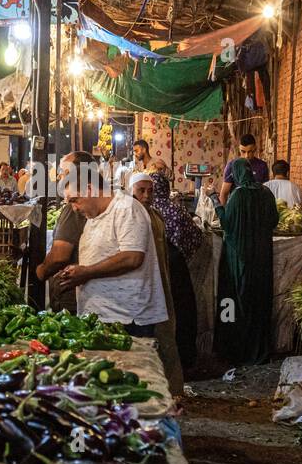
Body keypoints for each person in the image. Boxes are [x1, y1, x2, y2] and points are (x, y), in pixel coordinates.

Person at [53, 165, 167, 337]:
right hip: (103, 317)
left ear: (89, 189)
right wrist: (77, 270)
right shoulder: (94, 215)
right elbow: (104, 254)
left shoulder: (126, 208)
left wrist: (86, 272)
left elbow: (132, 257)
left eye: (74, 200)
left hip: (127, 319)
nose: (74, 208)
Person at [214, 159, 279, 365]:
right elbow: (274, 221)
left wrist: (215, 201)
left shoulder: (237, 196)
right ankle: (259, 351)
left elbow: (227, 224)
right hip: (262, 259)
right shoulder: (266, 193)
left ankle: (235, 350)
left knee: (233, 301)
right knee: (259, 303)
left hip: (239, 260)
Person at [129, 172, 183, 390]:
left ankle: (167, 387)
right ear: (131, 190)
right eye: (141, 190)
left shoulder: (156, 216)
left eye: (150, 191)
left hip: (160, 281)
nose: (146, 195)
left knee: (163, 334)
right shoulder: (130, 215)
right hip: (140, 287)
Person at [146, 170, 203, 369]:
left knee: (161, 315)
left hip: (153, 272)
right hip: (178, 269)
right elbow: (197, 237)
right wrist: (185, 255)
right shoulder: (176, 209)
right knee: (182, 311)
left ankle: (160, 362)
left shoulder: (145, 211)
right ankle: (184, 359)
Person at [36, 151, 91, 313]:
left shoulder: (74, 208)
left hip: (71, 291)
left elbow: (59, 257)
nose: (60, 176)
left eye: (63, 171)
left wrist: (41, 272)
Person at [218, 133, 269, 205]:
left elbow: (266, 192)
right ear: (239, 149)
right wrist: (224, 214)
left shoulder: (262, 166)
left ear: (255, 148)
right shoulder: (232, 166)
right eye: (243, 151)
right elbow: (224, 193)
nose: (246, 156)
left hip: (257, 208)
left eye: (250, 151)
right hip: (237, 208)